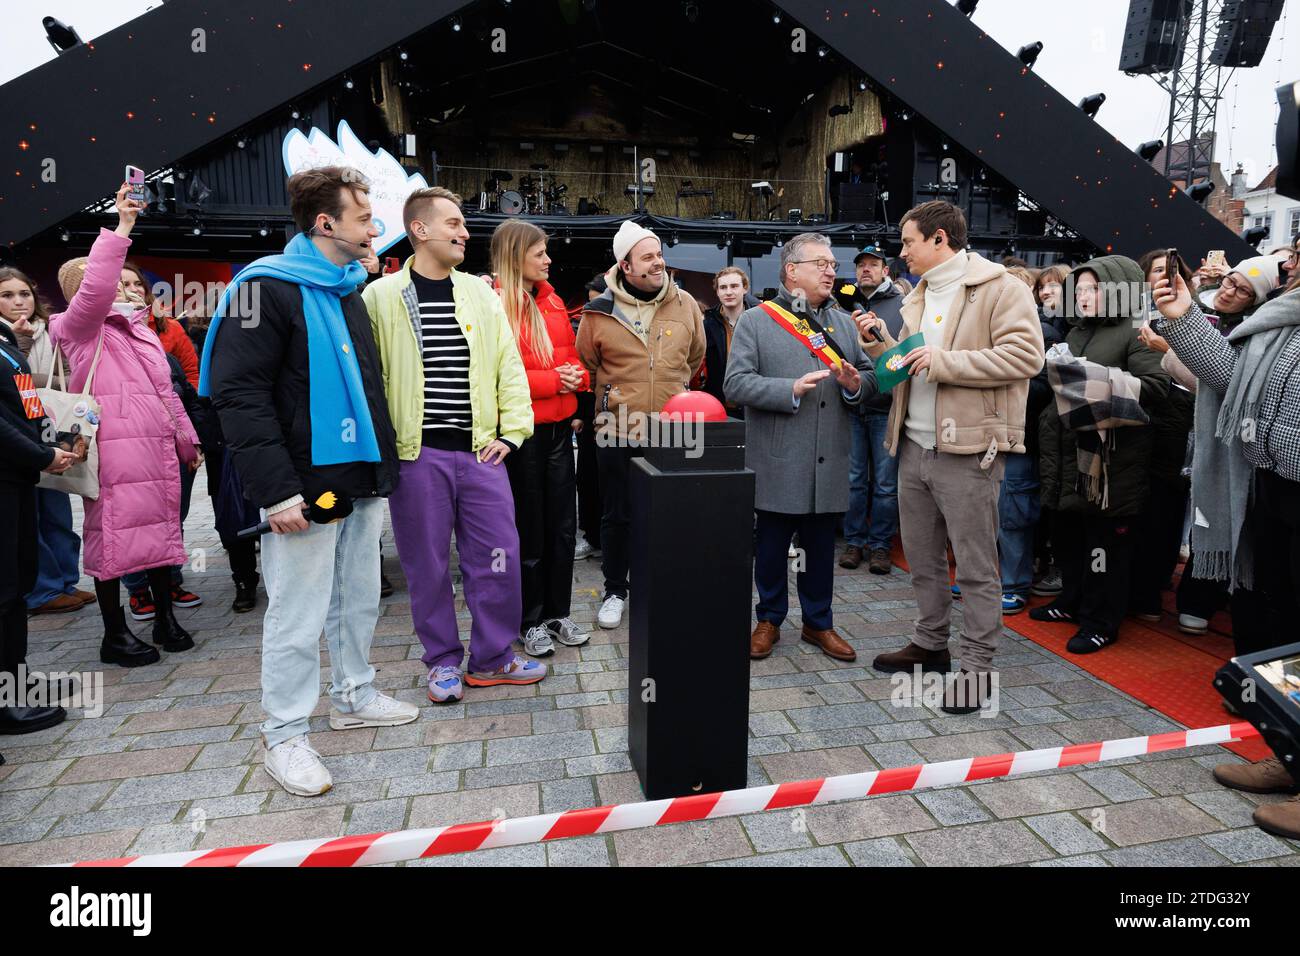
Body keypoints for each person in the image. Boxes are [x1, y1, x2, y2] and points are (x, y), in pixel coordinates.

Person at [203, 166, 416, 797]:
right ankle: (285, 734)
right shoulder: (261, 288)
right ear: (325, 223)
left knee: (357, 595)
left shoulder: (347, 286)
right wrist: (275, 491)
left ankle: (353, 693)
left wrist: (382, 469)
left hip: (357, 476)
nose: (374, 227)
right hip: (300, 486)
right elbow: (238, 395)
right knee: (295, 612)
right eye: (362, 217)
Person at [858, 200, 1044, 713]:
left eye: (909, 241)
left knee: (977, 566)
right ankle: (931, 644)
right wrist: (879, 348)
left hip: (970, 451)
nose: (902, 252)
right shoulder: (916, 294)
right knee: (921, 559)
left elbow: (1028, 356)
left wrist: (944, 361)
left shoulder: (1002, 288)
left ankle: (978, 669)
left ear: (940, 240)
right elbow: (907, 366)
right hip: (913, 445)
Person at [363, 187, 545, 705]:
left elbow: (508, 366)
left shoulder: (480, 294)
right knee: (425, 564)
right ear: (420, 229)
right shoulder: (380, 297)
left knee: (498, 556)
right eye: (454, 224)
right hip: (416, 456)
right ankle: (442, 661)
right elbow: (370, 380)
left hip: (482, 451)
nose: (465, 233)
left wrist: (513, 432)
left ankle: (491, 658)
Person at [1154, 261, 1300, 840]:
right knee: (1284, 626)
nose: (1293, 261)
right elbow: (1234, 378)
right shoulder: (1282, 315)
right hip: (1276, 487)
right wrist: (1183, 317)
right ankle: (1292, 756)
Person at [51, 183, 203, 669]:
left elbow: (165, 392)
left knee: (160, 533)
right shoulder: (76, 328)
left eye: (130, 283)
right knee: (110, 539)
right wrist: (122, 228)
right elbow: (94, 289)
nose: (127, 288)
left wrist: (187, 438)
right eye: (118, 282)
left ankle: (163, 619)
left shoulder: (140, 330)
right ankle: (113, 634)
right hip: (111, 452)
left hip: (155, 451)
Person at [726, 233, 875, 663]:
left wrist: (854, 386)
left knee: (818, 549)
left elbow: (866, 378)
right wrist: (787, 389)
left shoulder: (844, 322)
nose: (832, 270)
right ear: (792, 271)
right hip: (778, 457)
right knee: (771, 547)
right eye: (821, 264)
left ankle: (818, 623)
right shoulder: (757, 320)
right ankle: (769, 618)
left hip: (828, 457)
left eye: (832, 263)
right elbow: (734, 384)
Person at [1032, 256, 1169, 653]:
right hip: (1070, 455)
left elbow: (1157, 387)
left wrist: (1096, 380)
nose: (1085, 296)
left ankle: (1101, 621)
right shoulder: (1076, 331)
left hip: (1112, 463)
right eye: (1081, 289)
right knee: (1071, 537)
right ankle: (1071, 602)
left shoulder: (1134, 330)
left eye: (1094, 288)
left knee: (1104, 547)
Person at [576, 220, 706, 630]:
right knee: (618, 514)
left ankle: (667, 585)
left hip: (674, 427)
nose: (658, 262)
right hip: (617, 428)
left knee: (675, 511)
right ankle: (616, 590)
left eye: (659, 254)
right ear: (625, 265)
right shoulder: (597, 311)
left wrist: (671, 389)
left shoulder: (685, 303)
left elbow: (696, 357)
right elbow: (588, 363)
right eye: (647, 256)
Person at [491, 218, 590, 657]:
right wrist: (556, 380)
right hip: (521, 433)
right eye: (539, 253)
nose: (548, 259)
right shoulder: (494, 304)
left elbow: (573, 361)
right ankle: (528, 619)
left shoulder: (552, 303)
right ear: (516, 257)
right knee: (529, 528)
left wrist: (577, 378)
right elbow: (497, 377)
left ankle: (557, 612)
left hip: (556, 431)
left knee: (562, 527)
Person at [1, 309, 78, 736]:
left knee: (16, 586)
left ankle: (15, 680)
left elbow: (28, 401)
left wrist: (55, 443)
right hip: (8, 474)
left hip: (17, 478)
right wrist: (41, 454)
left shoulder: (7, 344)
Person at [0, 267, 94, 615]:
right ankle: (43, 589)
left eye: (23, 293)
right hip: (20, 443)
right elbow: (20, 384)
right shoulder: (7, 340)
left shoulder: (52, 328)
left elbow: (71, 376)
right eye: (7, 295)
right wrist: (20, 346)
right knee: (31, 519)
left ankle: (65, 582)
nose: (18, 302)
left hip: (52, 429)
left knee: (58, 512)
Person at [115, 264, 205, 620]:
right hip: (131, 440)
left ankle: (170, 580)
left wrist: (192, 429)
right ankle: (138, 589)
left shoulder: (169, 329)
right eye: (123, 284)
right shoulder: (104, 331)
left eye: (138, 283)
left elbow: (193, 373)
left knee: (174, 515)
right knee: (134, 519)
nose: (133, 289)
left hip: (175, 435)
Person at [1127, 250, 1198, 627]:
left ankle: (1150, 591)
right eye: (1155, 270)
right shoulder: (1128, 315)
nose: (1163, 277)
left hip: (1175, 427)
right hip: (1138, 424)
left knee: (1165, 514)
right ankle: (1129, 586)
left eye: (1170, 271)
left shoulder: (1195, 318)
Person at [997, 263, 1057, 614]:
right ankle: (988, 578)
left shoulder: (1044, 331)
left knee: (1014, 514)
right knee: (985, 512)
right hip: (987, 435)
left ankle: (1014, 583)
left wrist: (1000, 379)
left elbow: (1045, 388)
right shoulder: (988, 327)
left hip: (1022, 437)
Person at [841, 243, 905, 574]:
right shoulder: (843, 303)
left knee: (884, 484)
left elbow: (905, 353)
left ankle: (880, 546)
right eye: (861, 265)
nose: (866, 269)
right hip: (852, 407)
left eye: (873, 264)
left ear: (885, 270)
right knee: (854, 480)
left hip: (885, 407)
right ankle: (853, 542)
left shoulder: (903, 305)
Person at [1027, 264, 1070, 597]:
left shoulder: (1065, 327)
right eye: (1042, 287)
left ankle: (1056, 562)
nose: (1046, 292)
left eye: (1054, 286)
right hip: (1040, 425)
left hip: (1062, 423)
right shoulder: (1039, 326)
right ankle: (1043, 558)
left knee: (1058, 499)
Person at [573, 274, 606, 561]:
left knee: (612, 482)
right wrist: (577, 415)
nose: (593, 308)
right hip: (587, 416)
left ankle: (610, 540)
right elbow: (580, 370)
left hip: (618, 417)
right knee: (587, 478)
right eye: (591, 302)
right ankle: (591, 536)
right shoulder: (584, 325)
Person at [699, 266, 750, 415]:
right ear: (717, 292)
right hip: (717, 407)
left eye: (734, 286)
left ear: (744, 288)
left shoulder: (761, 322)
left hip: (753, 407)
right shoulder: (706, 325)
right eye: (723, 287)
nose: (728, 292)